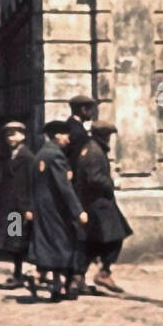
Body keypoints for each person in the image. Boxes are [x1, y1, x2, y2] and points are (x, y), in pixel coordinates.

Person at [28, 121, 87, 301]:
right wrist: (78, 211)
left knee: (50, 243)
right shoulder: (56, 156)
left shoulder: (40, 155)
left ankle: (51, 281)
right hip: (56, 208)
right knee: (63, 244)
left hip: (41, 208)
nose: (68, 140)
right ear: (57, 136)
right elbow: (64, 187)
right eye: (66, 135)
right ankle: (58, 284)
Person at [73, 122, 132, 294]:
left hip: (94, 203)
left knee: (94, 240)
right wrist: (112, 184)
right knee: (117, 236)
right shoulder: (94, 152)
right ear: (103, 136)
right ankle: (103, 272)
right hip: (99, 204)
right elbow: (94, 178)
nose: (109, 140)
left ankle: (79, 276)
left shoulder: (91, 148)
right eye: (108, 136)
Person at [0, 121, 36, 289]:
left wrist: (29, 208)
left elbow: (31, 184)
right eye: (8, 135)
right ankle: (18, 274)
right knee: (14, 241)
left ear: (23, 136)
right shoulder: (11, 155)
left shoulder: (27, 157)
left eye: (14, 134)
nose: (10, 138)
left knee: (20, 241)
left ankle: (25, 275)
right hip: (12, 207)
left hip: (21, 208)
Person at [66, 95, 96, 173]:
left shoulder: (71, 125)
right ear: (83, 110)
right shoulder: (77, 131)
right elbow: (77, 160)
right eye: (91, 110)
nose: (92, 113)